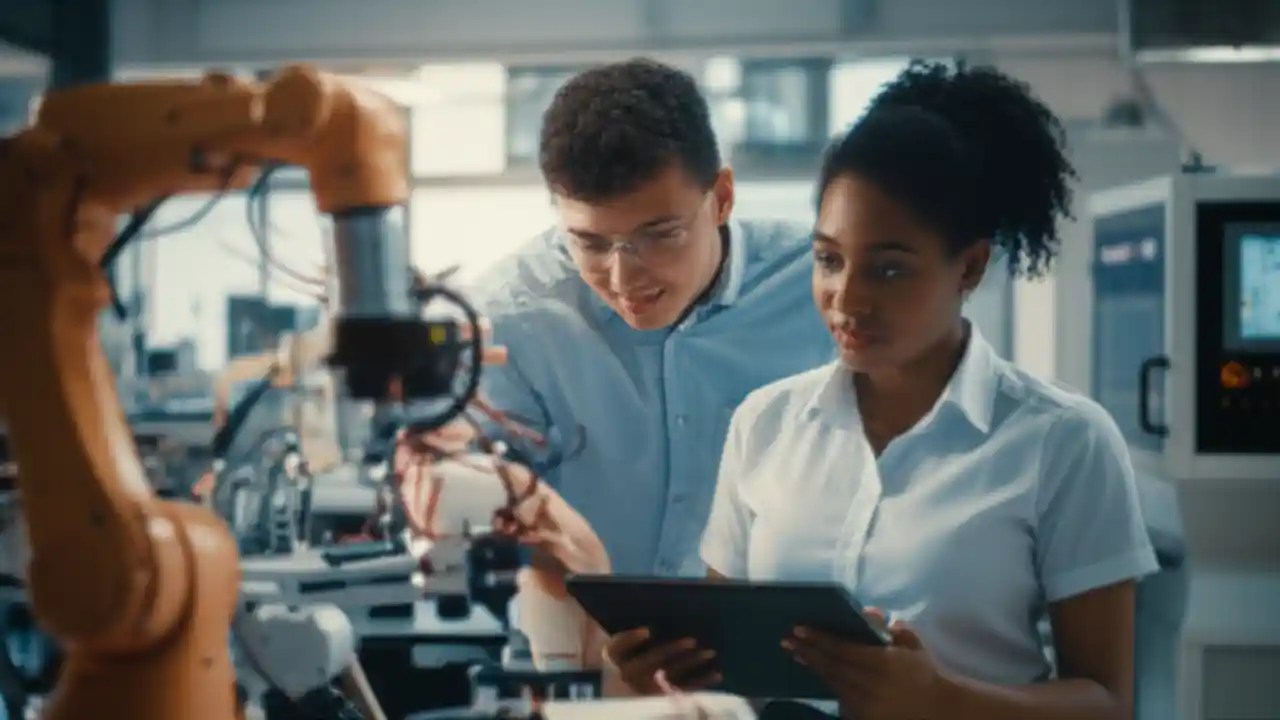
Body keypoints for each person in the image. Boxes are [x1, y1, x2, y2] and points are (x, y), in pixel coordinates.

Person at [603, 60, 1160, 718]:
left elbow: (1108, 704)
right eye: (828, 259)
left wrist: (942, 700)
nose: (847, 298)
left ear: (971, 267)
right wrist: (663, 676)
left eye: (888, 268)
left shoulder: (1063, 440)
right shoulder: (766, 423)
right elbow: (729, 664)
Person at [464, 57, 834, 578]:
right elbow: (493, 516)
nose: (623, 279)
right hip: (573, 640)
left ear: (722, 198)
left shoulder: (819, 289)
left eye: (660, 235)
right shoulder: (512, 316)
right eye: (589, 243)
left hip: (770, 646)